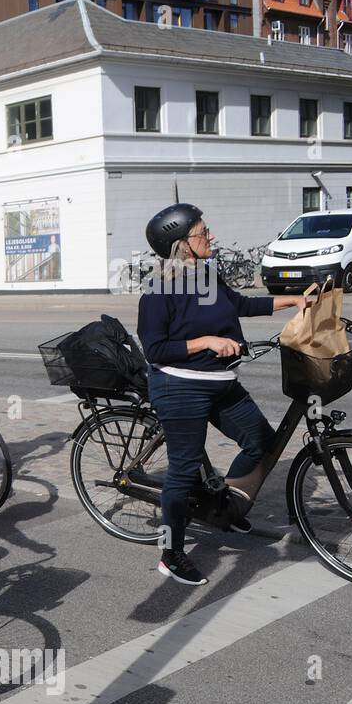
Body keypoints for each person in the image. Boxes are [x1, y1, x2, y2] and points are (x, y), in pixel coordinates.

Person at [138, 203, 309, 586]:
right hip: (179, 386)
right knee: (182, 471)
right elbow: (155, 348)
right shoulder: (159, 287)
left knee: (261, 442)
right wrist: (207, 342)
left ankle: (221, 505)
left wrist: (293, 301)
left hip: (220, 382)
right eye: (202, 232)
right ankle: (172, 553)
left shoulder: (207, 274)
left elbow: (241, 304)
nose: (210, 236)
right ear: (181, 244)